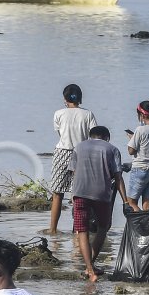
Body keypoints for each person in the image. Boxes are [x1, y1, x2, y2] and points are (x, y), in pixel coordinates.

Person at [71, 126, 131, 282]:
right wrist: (125, 201)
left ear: (90, 136)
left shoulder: (79, 147)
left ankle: (89, 268)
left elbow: (74, 172)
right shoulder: (112, 149)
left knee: (82, 230)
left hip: (79, 192)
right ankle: (91, 268)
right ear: (107, 138)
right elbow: (118, 177)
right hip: (101, 194)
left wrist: (73, 195)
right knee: (104, 227)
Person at [46, 84, 97, 234]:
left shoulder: (58, 113)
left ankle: (53, 229)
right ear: (80, 98)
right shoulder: (88, 114)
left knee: (57, 194)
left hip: (62, 152)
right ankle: (78, 231)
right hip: (81, 153)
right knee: (79, 195)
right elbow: (93, 136)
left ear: (64, 98)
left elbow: (60, 135)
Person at [126, 100, 149, 211]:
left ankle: (139, 226)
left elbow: (131, 151)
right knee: (147, 204)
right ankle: (147, 226)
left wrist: (132, 139)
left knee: (131, 202)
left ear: (142, 115)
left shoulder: (140, 130)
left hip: (140, 169)